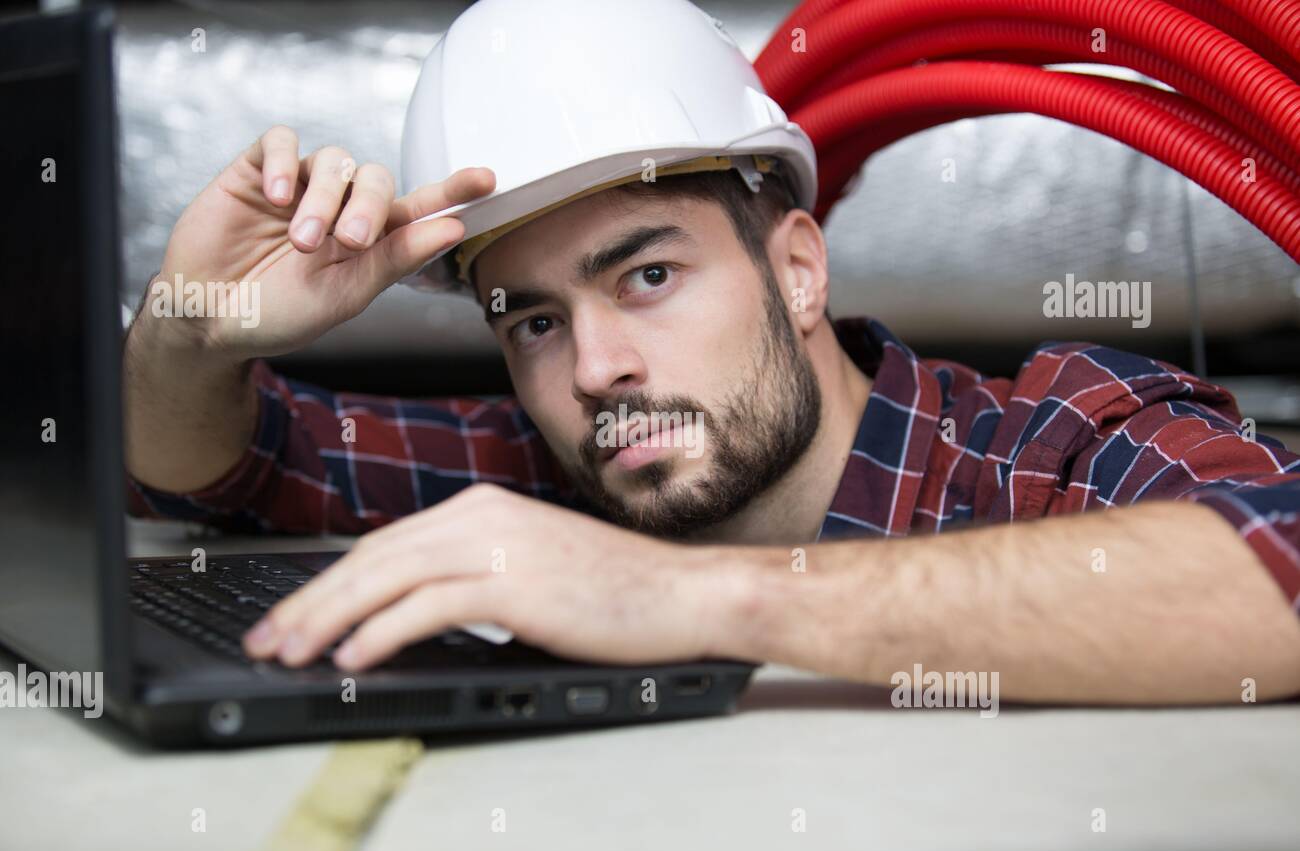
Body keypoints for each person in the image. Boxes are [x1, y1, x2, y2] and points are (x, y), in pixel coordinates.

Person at [123, 0, 1300, 703]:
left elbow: (1280, 564)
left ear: (797, 267)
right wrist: (193, 324)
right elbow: (221, 461)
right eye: (532, 318)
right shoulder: (558, 474)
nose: (594, 369)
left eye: (647, 275)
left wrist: (686, 596)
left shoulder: (1040, 443)